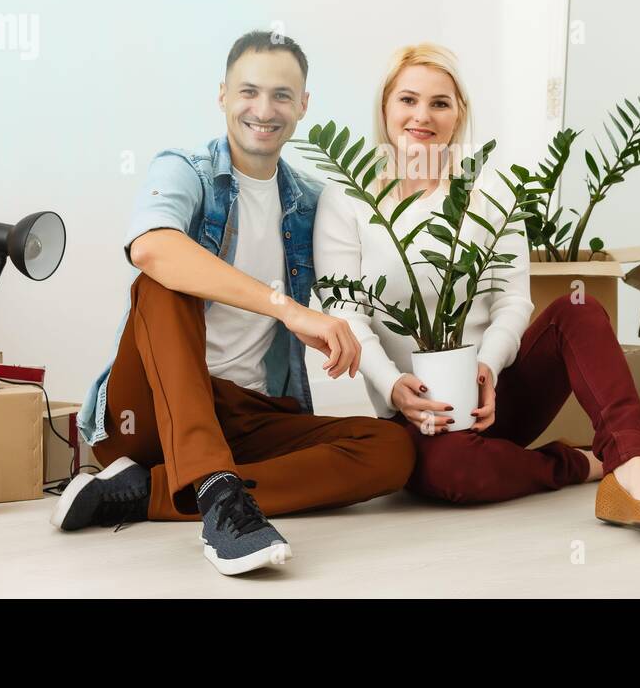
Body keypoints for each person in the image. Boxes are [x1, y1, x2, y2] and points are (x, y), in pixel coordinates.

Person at [53, 31, 416, 575]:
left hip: (247, 415)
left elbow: (371, 278)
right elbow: (151, 247)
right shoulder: (187, 168)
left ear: (303, 105)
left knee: (391, 450)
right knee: (163, 281)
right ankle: (218, 496)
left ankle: (147, 491)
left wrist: (409, 380)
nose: (264, 110)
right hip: (149, 413)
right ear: (222, 94)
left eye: (282, 95)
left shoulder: (314, 202)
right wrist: (286, 307)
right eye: (249, 91)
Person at [312, 43, 640, 535]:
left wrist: (487, 366)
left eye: (439, 103)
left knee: (579, 307)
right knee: (451, 473)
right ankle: (582, 466)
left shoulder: (492, 191)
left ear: (459, 114)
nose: (422, 116)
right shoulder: (348, 196)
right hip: (418, 414)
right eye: (408, 100)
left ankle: (633, 468)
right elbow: (346, 310)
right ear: (385, 108)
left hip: (496, 392)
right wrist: (392, 386)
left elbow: (514, 299)